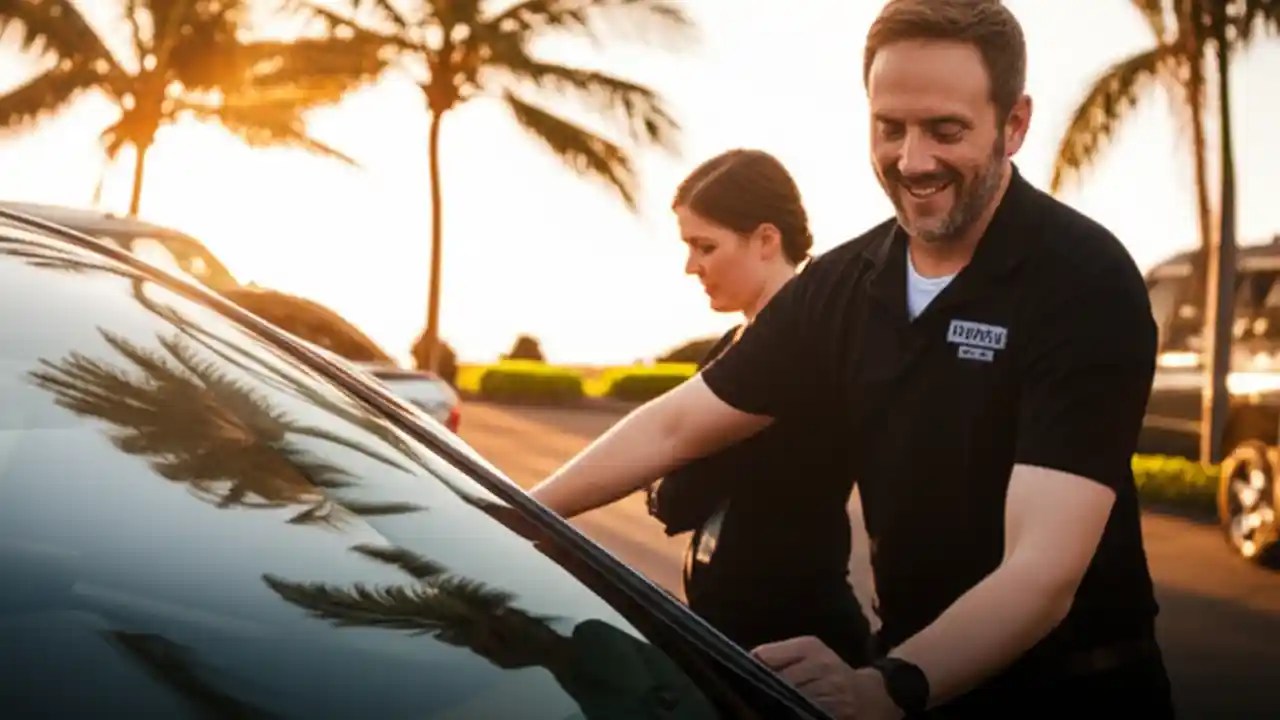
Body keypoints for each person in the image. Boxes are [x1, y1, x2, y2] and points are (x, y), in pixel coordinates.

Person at [529, 0, 1177, 717]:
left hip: (1072, 692)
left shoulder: (1082, 280)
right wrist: (509, 515)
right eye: (889, 128)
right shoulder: (843, 284)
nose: (913, 160)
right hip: (907, 675)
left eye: (946, 130)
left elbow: (1041, 572)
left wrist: (886, 686)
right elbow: (674, 427)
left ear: (1014, 124)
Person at [644, 148, 873, 668]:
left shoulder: (806, 350)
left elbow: (677, 492)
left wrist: (672, 477)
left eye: (705, 246)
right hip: (730, 640)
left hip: (797, 650)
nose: (691, 266)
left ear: (767, 240)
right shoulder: (730, 345)